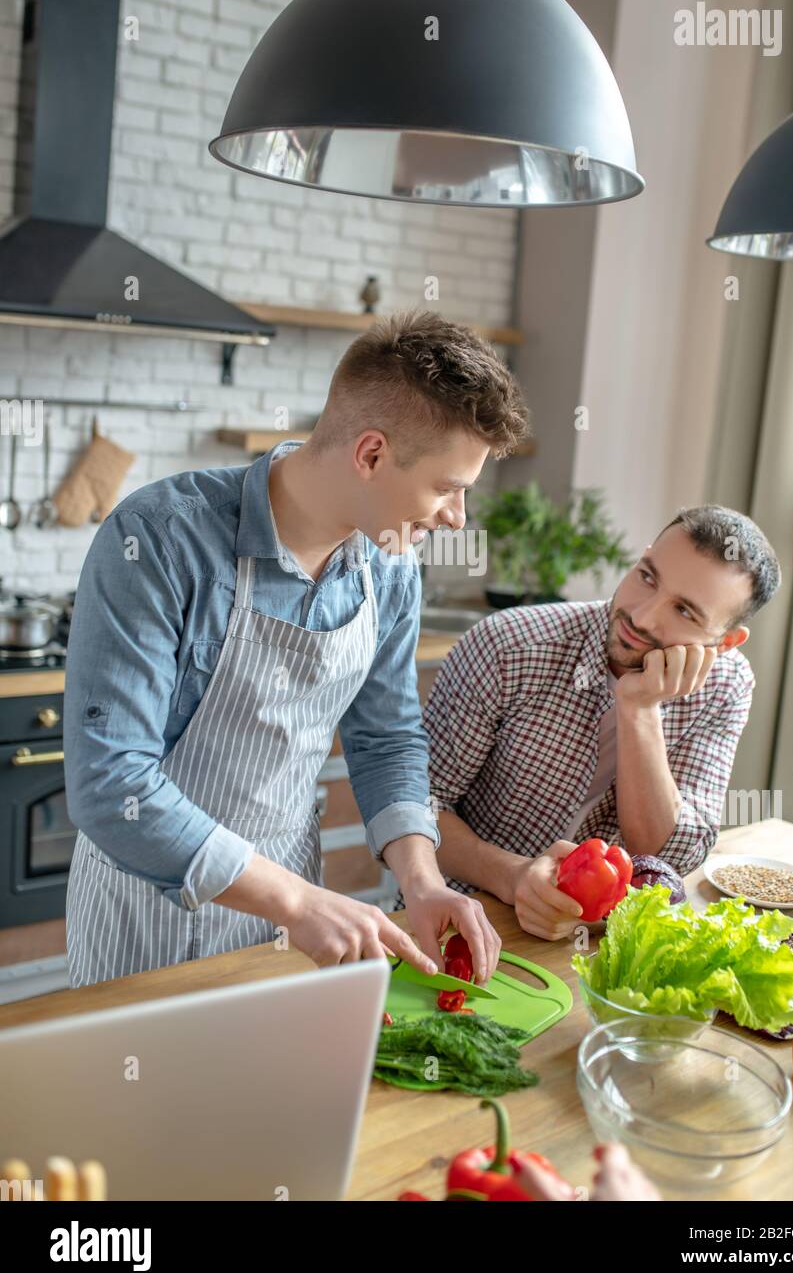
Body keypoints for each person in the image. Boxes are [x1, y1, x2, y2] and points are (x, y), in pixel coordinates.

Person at [63, 311, 529, 986]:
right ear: (370, 454)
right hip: (144, 915)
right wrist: (297, 900)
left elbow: (388, 740)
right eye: (447, 488)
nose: (457, 517)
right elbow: (110, 784)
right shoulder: (161, 538)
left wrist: (422, 881)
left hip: (294, 914)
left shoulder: (391, 566)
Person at [421, 506, 781, 939]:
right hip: (465, 920)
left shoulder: (726, 684)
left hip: (601, 942)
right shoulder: (509, 645)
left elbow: (670, 855)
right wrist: (513, 877)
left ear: (724, 642)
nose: (643, 617)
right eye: (648, 576)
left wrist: (640, 710)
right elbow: (415, 807)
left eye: (684, 611)